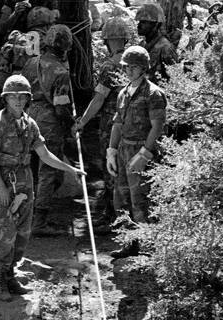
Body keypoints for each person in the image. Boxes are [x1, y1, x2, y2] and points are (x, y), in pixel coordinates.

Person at [0, 74, 78, 300]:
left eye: (21, 96)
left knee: (23, 232)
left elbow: (44, 155)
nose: (17, 100)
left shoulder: (30, 124)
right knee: (6, 229)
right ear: (6, 99)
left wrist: (70, 169)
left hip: (25, 179)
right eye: (12, 96)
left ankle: (11, 275)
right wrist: (1, 189)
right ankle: (0, 280)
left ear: (28, 98)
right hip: (5, 179)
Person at [71, 13, 135, 229]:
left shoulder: (110, 67)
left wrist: (82, 122)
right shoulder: (136, 62)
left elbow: (98, 99)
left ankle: (114, 218)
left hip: (111, 126)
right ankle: (125, 216)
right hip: (134, 125)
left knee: (111, 171)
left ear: (108, 40)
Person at [107, 44, 165, 256]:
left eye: (134, 67)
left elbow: (157, 125)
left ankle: (148, 248)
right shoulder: (123, 93)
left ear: (143, 68)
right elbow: (117, 123)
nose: (129, 70)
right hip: (124, 150)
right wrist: (111, 151)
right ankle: (128, 243)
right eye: (126, 67)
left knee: (141, 200)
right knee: (120, 198)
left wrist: (145, 153)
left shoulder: (153, 93)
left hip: (141, 149)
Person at [23, 22, 75, 236]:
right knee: (48, 171)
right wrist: (71, 125)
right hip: (48, 122)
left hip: (26, 118)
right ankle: (39, 222)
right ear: (64, 47)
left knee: (27, 167)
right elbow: (61, 106)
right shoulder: (60, 71)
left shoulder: (30, 63)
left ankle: (23, 214)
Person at [134, 2, 178, 82]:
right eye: (139, 21)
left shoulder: (165, 47)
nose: (139, 25)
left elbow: (175, 79)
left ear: (156, 25)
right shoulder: (142, 45)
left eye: (143, 22)